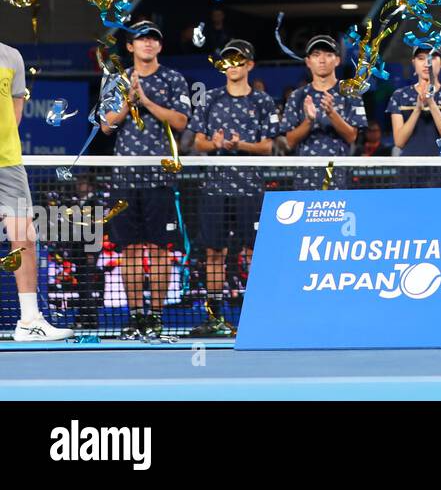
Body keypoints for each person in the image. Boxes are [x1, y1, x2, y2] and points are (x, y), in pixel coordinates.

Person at [97, 20, 192, 340]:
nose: (148, 43)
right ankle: (136, 316)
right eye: (141, 39)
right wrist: (128, 102)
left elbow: (180, 122)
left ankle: (156, 318)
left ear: (160, 46)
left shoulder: (174, 79)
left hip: (161, 178)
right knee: (132, 252)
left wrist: (147, 102)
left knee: (161, 250)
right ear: (130, 46)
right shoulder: (116, 80)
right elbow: (107, 126)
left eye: (153, 39)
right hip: (125, 176)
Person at [190, 40, 278, 337]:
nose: (233, 66)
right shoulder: (209, 99)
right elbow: (198, 142)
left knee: (254, 252)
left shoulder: (263, 101)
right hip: (214, 187)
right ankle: (215, 318)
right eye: (228, 60)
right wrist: (213, 144)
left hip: (250, 187)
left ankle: (260, 317)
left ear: (250, 65)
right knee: (214, 252)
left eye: (239, 60)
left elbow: (267, 148)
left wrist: (240, 145)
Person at [0, 43, 74, 340]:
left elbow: (16, 108)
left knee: (25, 238)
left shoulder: (11, 56)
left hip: (8, 163)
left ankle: (30, 320)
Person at [282, 35, 368, 188]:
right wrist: (309, 120)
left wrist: (331, 114)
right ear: (308, 62)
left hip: (339, 177)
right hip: (305, 178)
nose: (322, 60)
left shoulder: (350, 93)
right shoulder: (297, 96)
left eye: (328, 55)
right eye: (316, 55)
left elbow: (352, 137)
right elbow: (290, 141)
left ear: (337, 60)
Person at [387, 44, 441, 185]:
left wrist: (431, 104)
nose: (427, 63)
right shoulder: (399, 96)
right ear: (414, 63)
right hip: (409, 172)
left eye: (432, 57)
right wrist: (417, 109)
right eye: (421, 58)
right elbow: (399, 141)